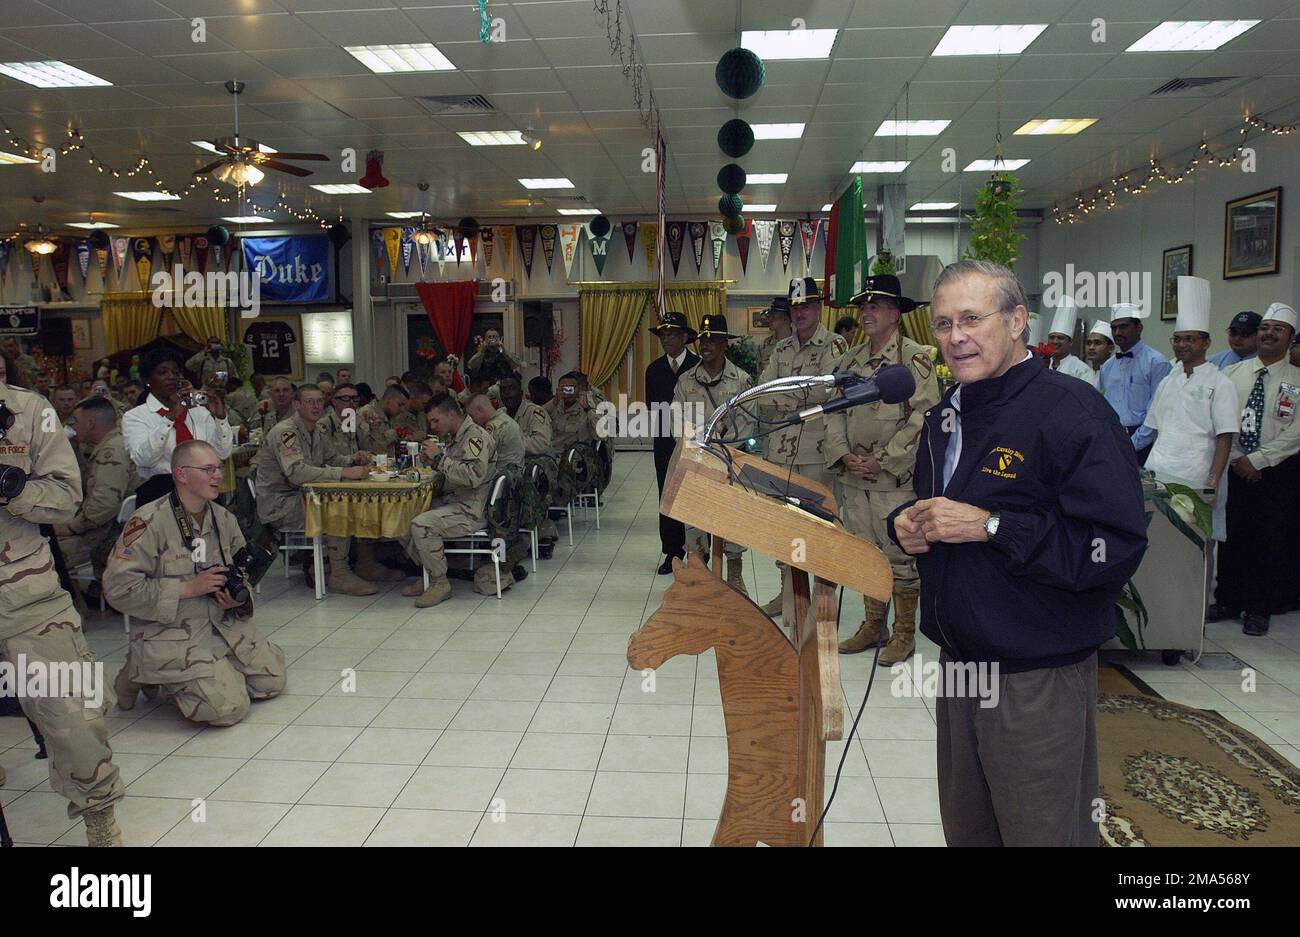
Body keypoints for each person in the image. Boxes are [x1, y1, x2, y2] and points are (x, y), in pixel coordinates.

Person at [888, 260, 1147, 847]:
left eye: (973, 320)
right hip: (960, 666)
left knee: (1040, 831)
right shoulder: (945, 415)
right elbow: (943, 509)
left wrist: (996, 527)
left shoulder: (1071, 412)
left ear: (1016, 322)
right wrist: (905, 522)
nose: (956, 337)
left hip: (1034, 673)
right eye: (944, 323)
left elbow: (1114, 547)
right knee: (970, 831)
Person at [0, 374, 125, 845]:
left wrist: (16, 490)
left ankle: (100, 818)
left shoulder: (28, 412)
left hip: (22, 594)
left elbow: (68, 497)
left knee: (74, 717)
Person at [104, 440, 287, 726]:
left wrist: (239, 598)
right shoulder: (147, 522)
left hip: (219, 622)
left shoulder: (223, 518)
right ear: (181, 474)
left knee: (272, 682)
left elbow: (243, 572)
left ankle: (206, 672)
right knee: (228, 710)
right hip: (172, 629)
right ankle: (143, 668)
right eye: (208, 469)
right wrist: (189, 588)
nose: (218, 475)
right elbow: (118, 589)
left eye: (218, 468)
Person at [824, 275, 941, 661]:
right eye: (863, 306)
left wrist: (884, 459)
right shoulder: (850, 360)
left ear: (895, 312)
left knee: (899, 556)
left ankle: (903, 634)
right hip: (855, 478)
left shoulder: (915, 359)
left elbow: (923, 416)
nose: (866, 313)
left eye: (875, 306)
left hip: (894, 480)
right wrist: (844, 456)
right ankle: (874, 625)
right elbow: (833, 414)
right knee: (864, 553)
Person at [755, 277, 848, 615]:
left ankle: (823, 599)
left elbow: (825, 393)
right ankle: (790, 595)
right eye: (795, 307)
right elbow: (762, 392)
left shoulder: (833, 346)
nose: (800, 312)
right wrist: (797, 398)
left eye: (807, 305)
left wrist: (786, 397)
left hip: (816, 453)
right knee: (784, 527)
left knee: (820, 528)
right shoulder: (780, 349)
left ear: (819, 307)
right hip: (780, 453)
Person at [1212, 303, 1300, 636]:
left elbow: (1297, 431)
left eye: (1278, 329)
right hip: (1234, 466)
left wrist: (1259, 460)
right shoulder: (1231, 375)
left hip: (1277, 472)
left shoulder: (1296, 380)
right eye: (1265, 327)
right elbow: (1220, 420)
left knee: (1270, 540)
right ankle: (1228, 599)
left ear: (1290, 338)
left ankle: (1259, 608)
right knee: (1231, 535)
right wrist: (1237, 458)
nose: (1268, 333)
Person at [255, 385, 387, 594]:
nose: (316, 406)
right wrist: (343, 472)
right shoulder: (286, 432)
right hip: (281, 503)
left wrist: (354, 459)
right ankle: (339, 575)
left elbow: (332, 459)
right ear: (297, 405)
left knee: (358, 500)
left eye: (319, 401)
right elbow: (297, 473)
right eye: (310, 401)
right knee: (337, 508)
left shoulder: (316, 430)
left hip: (306, 496)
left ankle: (365, 562)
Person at [1141, 276, 1239, 542]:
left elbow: (1225, 436)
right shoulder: (1168, 381)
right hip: (1158, 473)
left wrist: (1213, 480)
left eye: (1190, 339)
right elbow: (1151, 430)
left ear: (1205, 343)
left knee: (1192, 545)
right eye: (1178, 339)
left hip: (1195, 477)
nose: (1182, 345)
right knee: (1159, 543)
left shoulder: (1220, 383)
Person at [670, 313, 751, 592]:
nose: (705, 345)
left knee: (732, 522)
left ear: (724, 344)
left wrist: (720, 451)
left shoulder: (740, 380)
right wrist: (698, 450)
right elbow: (676, 422)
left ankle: (735, 579)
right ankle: (698, 582)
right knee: (694, 525)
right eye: (702, 340)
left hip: (729, 465)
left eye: (713, 340)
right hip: (695, 465)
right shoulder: (685, 382)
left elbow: (746, 423)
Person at [403, 394, 499, 606]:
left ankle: (439, 583)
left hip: (471, 509)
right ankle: (428, 572)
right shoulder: (458, 436)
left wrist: (439, 458)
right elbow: (455, 473)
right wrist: (436, 464)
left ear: (452, 414)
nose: (432, 426)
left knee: (421, 525)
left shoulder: (475, 437)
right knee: (404, 517)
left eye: (436, 420)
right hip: (455, 501)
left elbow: (473, 477)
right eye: (430, 422)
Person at [123, 347, 233, 504]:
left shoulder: (198, 411)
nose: (171, 377)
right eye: (162, 372)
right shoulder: (135, 416)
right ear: (148, 380)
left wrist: (220, 419)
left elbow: (222, 453)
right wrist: (169, 418)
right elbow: (144, 459)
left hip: (202, 487)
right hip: (160, 491)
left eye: (176, 372)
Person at [54, 397, 133, 580]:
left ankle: (73, 601)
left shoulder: (112, 451)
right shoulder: (111, 443)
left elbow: (104, 504)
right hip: (110, 531)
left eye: (76, 422)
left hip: (108, 537)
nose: (73, 427)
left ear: (90, 424)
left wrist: (72, 527)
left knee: (43, 550)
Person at [646, 311, 700, 574]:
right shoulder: (654, 370)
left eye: (671, 334)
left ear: (685, 337)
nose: (666, 339)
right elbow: (653, 408)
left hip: (695, 441)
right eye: (663, 335)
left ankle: (698, 553)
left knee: (694, 495)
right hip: (666, 442)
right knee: (668, 496)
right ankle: (672, 552)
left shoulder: (699, 365)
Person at [467, 392, 530, 582]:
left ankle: (492, 560)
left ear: (481, 409)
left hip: (500, 488)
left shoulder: (492, 428)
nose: (472, 421)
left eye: (472, 415)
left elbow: (481, 463)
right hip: (512, 484)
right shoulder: (506, 420)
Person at [1100, 302, 1170, 463]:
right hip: (1112, 440)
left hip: (1144, 443)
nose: (1117, 332)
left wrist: (1132, 444)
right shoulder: (1107, 367)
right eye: (1114, 328)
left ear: (1138, 328)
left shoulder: (1157, 362)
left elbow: (1156, 412)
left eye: (1123, 327)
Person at [502, 373, 556, 554]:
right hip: (511, 463)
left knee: (525, 481)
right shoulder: (500, 415)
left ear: (522, 392)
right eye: (504, 390)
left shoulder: (534, 412)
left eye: (512, 389)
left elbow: (541, 443)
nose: (508, 394)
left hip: (539, 463)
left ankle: (530, 531)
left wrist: (511, 445)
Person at [1044, 297, 1094, 383]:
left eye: (1060, 338)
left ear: (1070, 342)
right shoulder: (1043, 364)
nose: (1055, 341)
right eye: (1052, 337)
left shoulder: (1081, 369)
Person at [357, 384, 408, 455]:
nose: (402, 409)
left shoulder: (393, 415)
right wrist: (391, 435)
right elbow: (367, 447)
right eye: (400, 404)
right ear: (388, 399)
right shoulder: (366, 413)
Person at [757, 297, 792, 374]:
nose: (769, 320)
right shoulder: (764, 346)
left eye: (773, 316)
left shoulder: (799, 343)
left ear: (786, 319)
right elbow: (760, 374)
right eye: (769, 316)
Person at [1083, 319, 1113, 388]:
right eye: (1088, 343)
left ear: (1110, 348)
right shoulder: (1084, 376)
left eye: (1097, 343)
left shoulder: (1116, 376)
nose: (1091, 347)